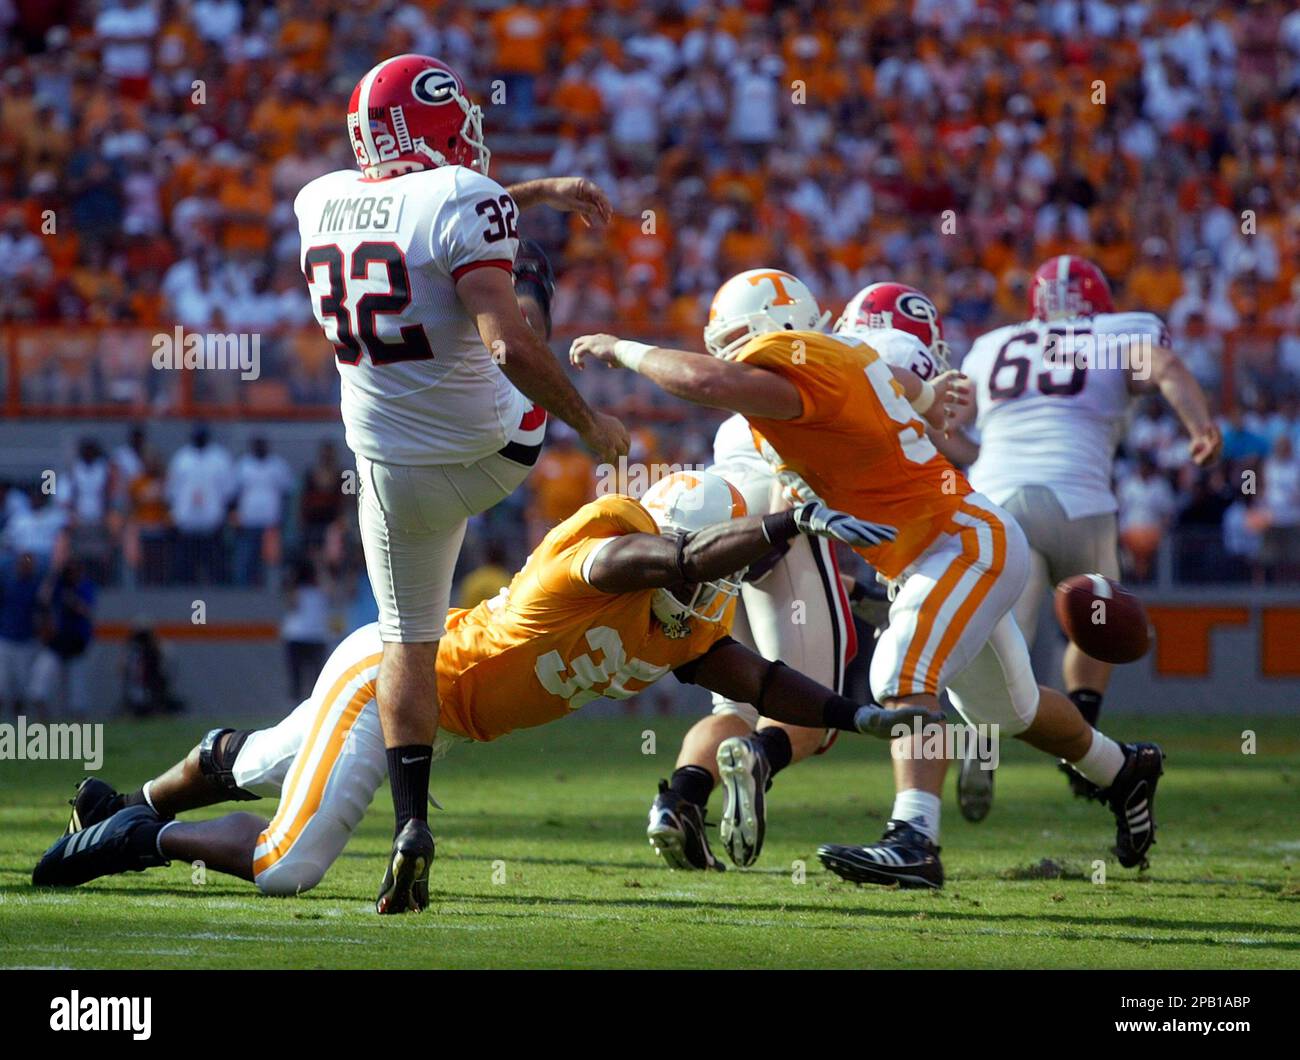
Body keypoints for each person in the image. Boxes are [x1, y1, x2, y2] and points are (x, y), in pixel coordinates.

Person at [33, 472, 934, 905]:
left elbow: (766, 679)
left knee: (265, 760)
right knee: (289, 864)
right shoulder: (602, 554)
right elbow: (686, 558)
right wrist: (786, 521)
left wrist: (858, 713)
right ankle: (140, 839)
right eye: (710, 567)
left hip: (422, 695)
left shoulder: (686, 618)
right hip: (404, 686)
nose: (712, 594)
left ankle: (123, 802)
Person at [572, 266, 1167, 888]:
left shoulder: (805, 358)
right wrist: (930, 399)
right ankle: (1122, 768)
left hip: (959, 543)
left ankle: (914, 839)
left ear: (771, 332)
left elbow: (706, 378)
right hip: (938, 552)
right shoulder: (844, 354)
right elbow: (895, 373)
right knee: (1010, 710)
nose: (733, 358)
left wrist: (622, 348)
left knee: (900, 676)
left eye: (736, 343)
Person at [293, 53, 629, 912]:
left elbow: (423, 210)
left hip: (389, 472)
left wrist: (536, 191)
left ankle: (410, 823)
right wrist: (593, 426)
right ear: (441, 124)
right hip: (491, 453)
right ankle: (409, 823)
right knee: (526, 306)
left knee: (406, 641)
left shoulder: (317, 201)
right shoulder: (460, 202)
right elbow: (510, 344)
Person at [951, 255, 1219, 805]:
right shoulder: (1120, 332)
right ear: (1100, 302)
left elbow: (945, 428)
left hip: (997, 501)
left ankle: (980, 743)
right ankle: (1084, 740)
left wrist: (982, 463)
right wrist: (1200, 426)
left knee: (1002, 642)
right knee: (1097, 622)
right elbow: (1166, 369)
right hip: (1079, 502)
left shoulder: (992, 345)